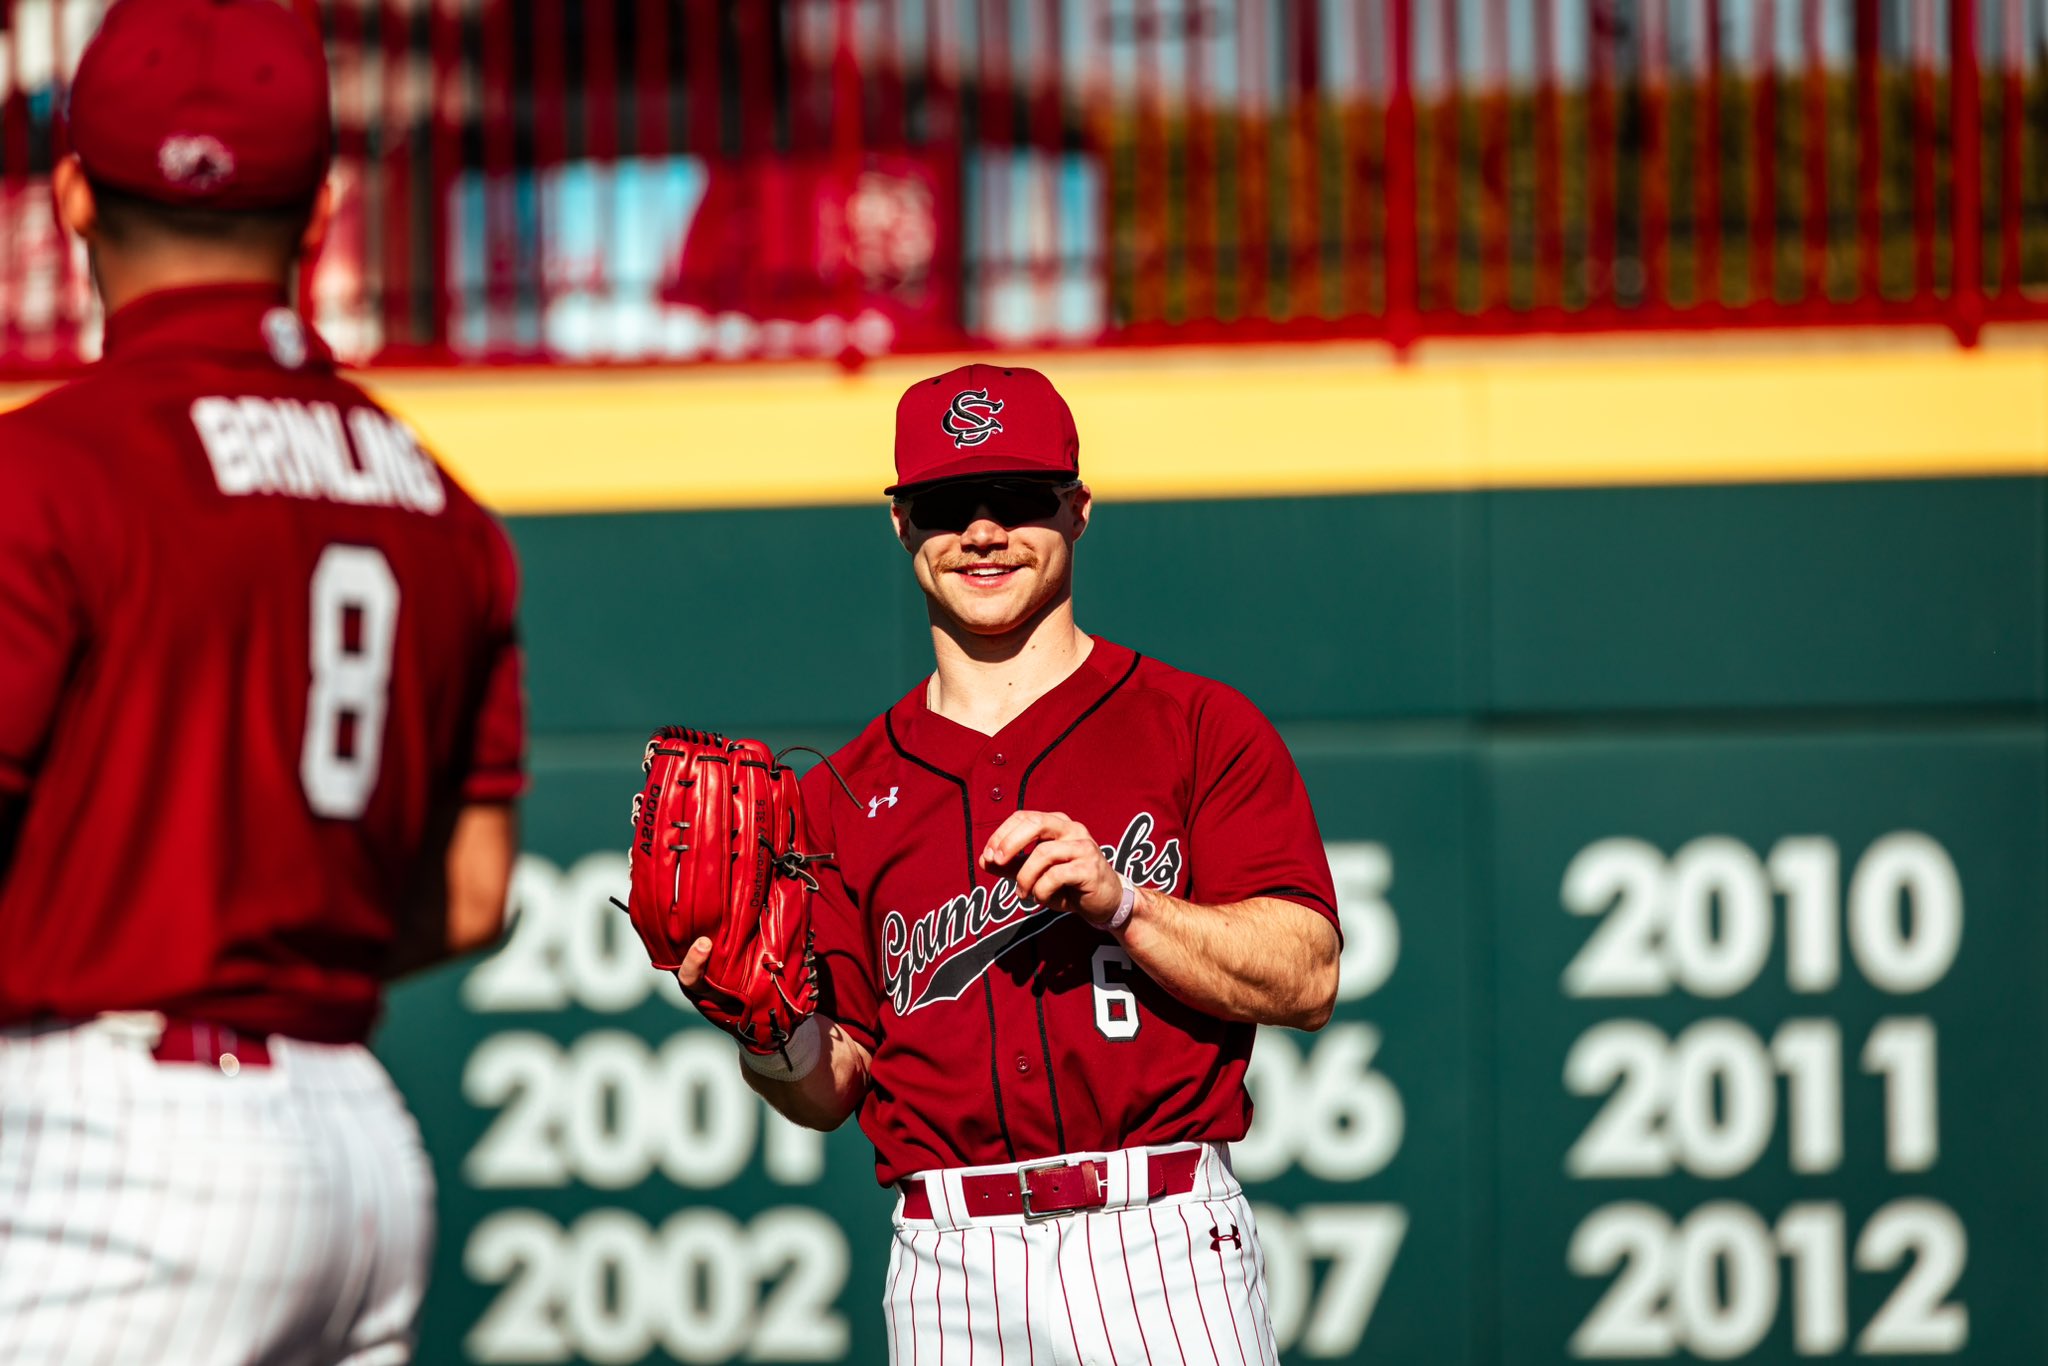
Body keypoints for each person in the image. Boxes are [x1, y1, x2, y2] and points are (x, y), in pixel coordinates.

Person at [0, 2, 525, 1362]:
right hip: (351, 1141)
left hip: (119, 1133)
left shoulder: (51, 472)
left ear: (69, 196)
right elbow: (468, 894)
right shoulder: (440, 505)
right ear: (323, 208)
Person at [678, 364, 1341, 1363]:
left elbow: (1308, 974)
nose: (980, 531)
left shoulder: (1195, 725)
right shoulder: (842, 793)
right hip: (948, 1259)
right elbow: (833, 1084)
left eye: (1017, 498)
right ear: (901, 524)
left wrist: (1125, 904)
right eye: (947, 504)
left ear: (1076, 511)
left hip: (1157, 1238)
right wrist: (762, 1031)